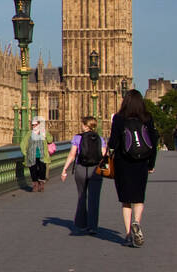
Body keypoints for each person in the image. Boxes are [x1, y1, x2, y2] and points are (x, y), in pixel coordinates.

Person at [109, 89, 158, 247]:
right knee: (138, 197)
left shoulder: (118, 118)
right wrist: (151, 164)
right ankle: (136, 222)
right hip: (141, 162)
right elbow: (153, 142)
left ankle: (129, 234)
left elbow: (113, 142)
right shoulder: (147, 118)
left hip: (123, 162)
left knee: (126, 201)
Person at [60, 116, 105, 234]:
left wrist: (64, 169)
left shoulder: (77, 137)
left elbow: (72, 155)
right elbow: (104, 156)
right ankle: (93, 226)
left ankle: (81, 224)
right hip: (95, 170)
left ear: (85, 125)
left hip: (80, 168)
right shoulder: (100, 139)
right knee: (94, 198)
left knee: (82, 196)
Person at [25, 116, 53, 192]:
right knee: (33, 170)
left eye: (35, 125)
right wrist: (25, 153)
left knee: (42, 169)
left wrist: (46, 134)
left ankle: (41, 184)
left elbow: (50, 140)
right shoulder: (29, 133)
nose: (34, 126)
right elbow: (24, 143)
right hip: (32, 155)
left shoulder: (44, 132)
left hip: (42, 155)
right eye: (33, 125)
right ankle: (35, 185)